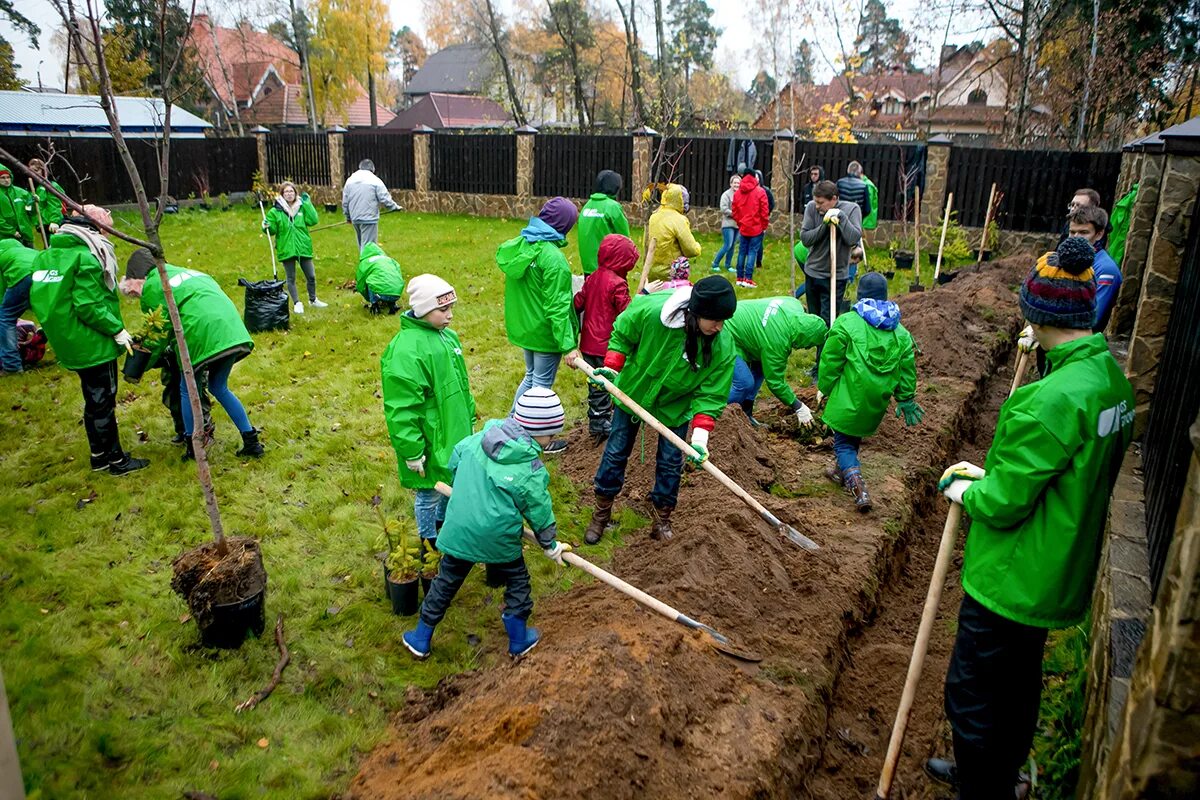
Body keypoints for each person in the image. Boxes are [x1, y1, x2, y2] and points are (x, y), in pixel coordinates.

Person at [927, 236, 1133, 800]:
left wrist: (971, 492)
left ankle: (982, 789)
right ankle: (993, 773)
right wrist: (989, 473)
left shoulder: (1047, 402)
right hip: (1057, 566)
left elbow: (1007, 500)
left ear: (1036, 314)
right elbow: (1054, 474)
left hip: (1013, 577)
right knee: (1018, 685)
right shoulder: (1110, 382)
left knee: (972, 691)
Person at [401, 387, 571, 660]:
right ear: (538, 431)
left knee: (446, 581)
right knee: (517, 581)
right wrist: (550, 544)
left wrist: (467, 485)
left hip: (461, 528)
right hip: (498, 536)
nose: (550, 442)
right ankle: (518, 639)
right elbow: (539, 509)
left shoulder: (476, 440)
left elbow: (455, 461)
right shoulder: (530, 469)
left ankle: (421, 637)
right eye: (551, 435)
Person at [583, 276, 737, 544]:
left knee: (669, 462)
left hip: (674, 406)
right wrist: (612, 366)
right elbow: (623, 332)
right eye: (715, 320)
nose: (720, 327)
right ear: (697, 312)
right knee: (617, 451)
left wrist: (700, 440)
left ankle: (662, 519)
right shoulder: (654, 313)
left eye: (724, 320)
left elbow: (711, 394)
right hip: (634, 391)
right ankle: (601, 515)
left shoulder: (723, 345)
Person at [28, 206, 148, 475]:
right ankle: (116, 460)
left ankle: (98, 456)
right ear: (94, 228)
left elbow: (41, 297)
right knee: (103, 400)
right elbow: (89, 305)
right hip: (92, 342)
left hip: (67, 338)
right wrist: (117, 329)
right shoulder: (87, 257)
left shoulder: (47, 257)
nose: (107, 234)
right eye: (106, 228)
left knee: (92, 398)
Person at [121, 248, 263, 460]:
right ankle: (252, 442)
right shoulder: (187, 272)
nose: (135, 296)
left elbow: (157, 334)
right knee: (218, 386)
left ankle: (193, 447)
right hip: (232, 332)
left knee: (187, 389)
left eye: (133, 291)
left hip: (202, 336)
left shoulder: (153, 285)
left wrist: (140, 365)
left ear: (138, 278)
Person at [382, 274, 475, 551]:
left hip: (454, 430)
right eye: (443, 310)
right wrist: (411, 450)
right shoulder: (405, 351)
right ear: (422, 310)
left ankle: (443, 525)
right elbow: (401, 407)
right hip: (430, 438)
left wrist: (469, 414)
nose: (450, 316)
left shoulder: (448, 337)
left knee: (451, 483)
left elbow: (461, 383)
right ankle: (429, 541)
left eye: (451, 308)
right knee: (429, 492)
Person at [818, 272, 921, 511]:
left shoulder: (847, 323)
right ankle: (839, 471)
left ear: (860, 294)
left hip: (848, 395)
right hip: (876, 401)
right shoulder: (901, 333)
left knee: (842, 443)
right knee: (853, 436)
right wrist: (905, 397)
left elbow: (830, 360)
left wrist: (824, 387)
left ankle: (858, 487)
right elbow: (907, 369)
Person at [496, 196, 582, 452]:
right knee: (540, 389)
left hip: (525, 329)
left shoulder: (521, 245)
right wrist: (568, 346)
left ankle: (510, 426)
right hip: (545, 334)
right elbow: (557, 307)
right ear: (564, 225)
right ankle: (528, 441)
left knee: (531, 376)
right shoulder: (553, 259)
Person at [574, 234, 637, 443]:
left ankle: (597, 417)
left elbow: (578, 303)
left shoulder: (592, 277)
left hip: (589, 342)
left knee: (594, 382)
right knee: (606, 381)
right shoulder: (618, 284)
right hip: (607, 344)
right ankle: (602, 420)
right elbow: (626, 313)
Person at [725, 296, 826, 427]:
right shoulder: (778, 342)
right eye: (809, 344)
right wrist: (798, 406)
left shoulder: (794, 304)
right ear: (804, 338)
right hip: (725, 331)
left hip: (741, 321)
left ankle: (746, 412)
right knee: (743, 383)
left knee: (761, 367)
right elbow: (775, 383)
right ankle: (719, 420)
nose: (806, 348)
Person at [800, 180, 863, 355]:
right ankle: (817, 362)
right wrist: (824, 226)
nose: (817, 206)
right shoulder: (812, 208)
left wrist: (841, 218)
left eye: (821, 203)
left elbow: (853, 238)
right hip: (813, 272)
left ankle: (824, 364)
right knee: (816, 321)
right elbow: (805, 238)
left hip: (835, 276)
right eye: (816, 201)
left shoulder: (851, 210)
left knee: (828, 322)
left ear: (834, 199)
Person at [264, 181, 326, 314]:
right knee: (290, 278)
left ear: (295, 193)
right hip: (287, 247)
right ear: (282, 194)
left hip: (303, 246)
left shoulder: (302, 207)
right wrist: (266, 226)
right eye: (286, 192)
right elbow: (272, 229)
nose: (289, 194)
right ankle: (297, 303)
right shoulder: (275, 211)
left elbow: (313, 220)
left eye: (291, 191)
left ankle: (313, 299)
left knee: (311, 276)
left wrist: (307, 203)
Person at [1067, 205, 1122, 333]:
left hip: (1080, 345)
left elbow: (1092, 318)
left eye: (1083, 232)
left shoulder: (1106, 269)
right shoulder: (1068, 259)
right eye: (1072, 232)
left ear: (1099, 234)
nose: (1075, 238)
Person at [577, 170, 630, 276]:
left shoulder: (587, 206)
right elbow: (625, 238)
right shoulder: (613, 207)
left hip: (588, 268)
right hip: (608, 269)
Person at [646, 184, 702, 282]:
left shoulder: (654, 216)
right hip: (671, 273)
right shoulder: (679, 219)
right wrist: (698, 246)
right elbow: (691, 250)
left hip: (650, 271)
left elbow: (646, 243)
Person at [342, 158, 401, 249]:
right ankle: (367, 262)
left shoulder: (350, 180)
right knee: (369, 247)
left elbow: (345, 202)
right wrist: (394, 207)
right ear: (372, 169)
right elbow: (384, 198)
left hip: (355, 218)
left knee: (361, 245)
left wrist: (348, 217)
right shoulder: (374, 180)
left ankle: (363, 261)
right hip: (369, 218)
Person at [0, 239, 36, 374]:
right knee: (48, 313)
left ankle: (11, 365)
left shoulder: (2, 256)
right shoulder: (26, 251)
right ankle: (68, 352)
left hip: (22, 275)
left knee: (5, 317)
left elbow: (2, 289)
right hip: (44, 272)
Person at [731, 170, 769, 289]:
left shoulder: (737, 193)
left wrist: (740, 223)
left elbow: (735, 211)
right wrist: (764, 226)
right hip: (756, 228)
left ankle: (739, 278)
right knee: (752, 252)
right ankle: (748, 279)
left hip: (743, 227)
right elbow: (764, 211)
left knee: (742, 252)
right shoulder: (760, 192)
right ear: (754, 177)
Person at [356, 242, 406, 315]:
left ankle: (375, 306)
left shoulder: (365, 263)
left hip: (381, 294)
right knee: (387, 279)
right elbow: (398, 273)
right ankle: (392, 305)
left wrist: (368, 298)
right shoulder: (389, 260)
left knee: (371, 281)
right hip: (397, 293)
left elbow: (360, 283)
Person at [28, 159, 65, 246]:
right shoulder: (32, 188)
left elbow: (55, 204)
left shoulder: (50, 185)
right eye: (31, 171)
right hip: (41, 224)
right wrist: (31, 203)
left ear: (43, 171)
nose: (34, 174)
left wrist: (54, 221)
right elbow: (32, 210)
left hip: (51, 224)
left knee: (55, 247)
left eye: (37, 171)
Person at [712, 174, 741, 273]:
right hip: (728, 224)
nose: (736, 185)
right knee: (727, 245)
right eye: (735, 183)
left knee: (732, 246)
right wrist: (735, 214)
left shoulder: (742, 195)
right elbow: (724, 208)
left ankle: (728, 265)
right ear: (731, 184)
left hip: (738, 224)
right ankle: (715, 264)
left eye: (738, 183)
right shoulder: (726, 195)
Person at [0, 164, 34, 247]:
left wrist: (33, 202)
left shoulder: (22, 193)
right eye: (3, 178)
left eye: (8, 177)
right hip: (6, 237)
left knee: (31, 257)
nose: (6, 180)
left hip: (26, 234)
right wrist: (12, 231)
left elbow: (32, 212)